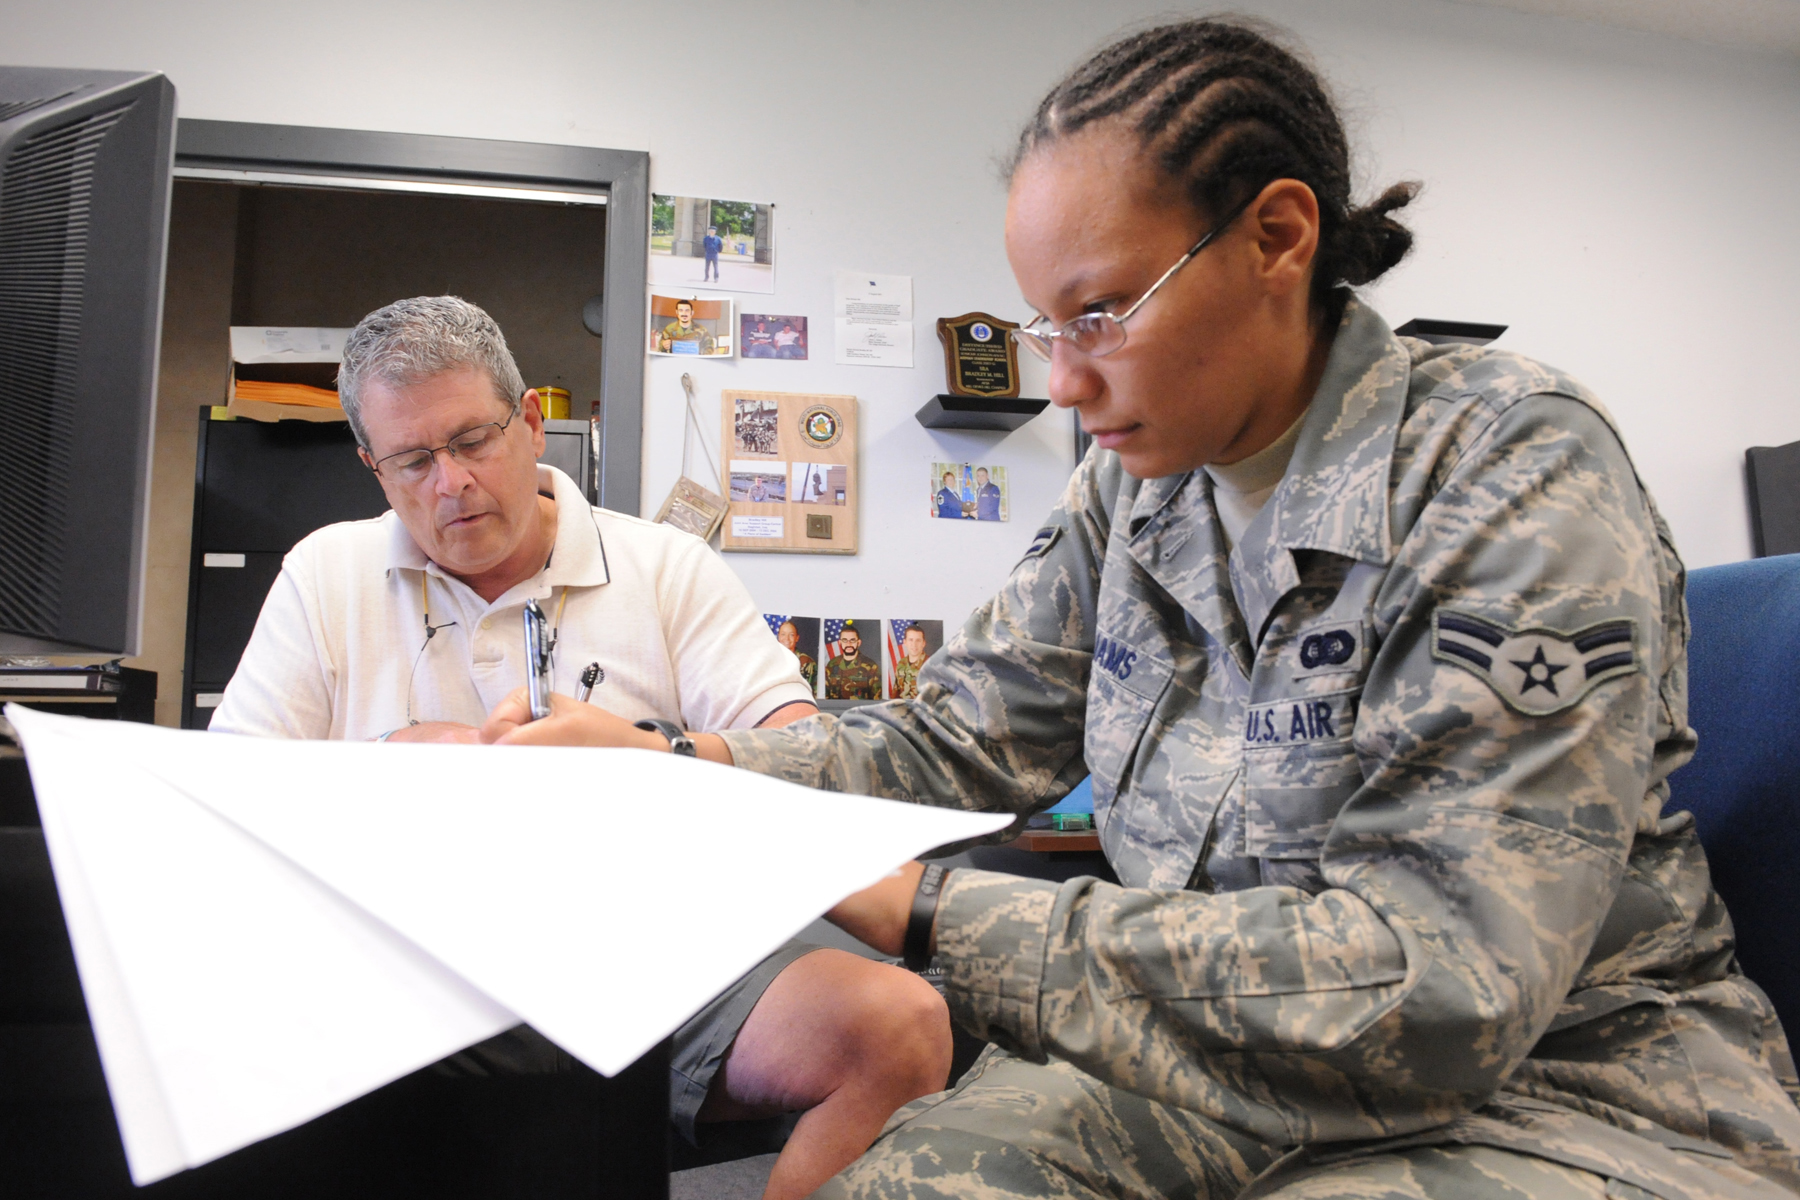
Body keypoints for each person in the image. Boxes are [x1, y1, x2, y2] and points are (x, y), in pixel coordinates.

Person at [479, 18, 1800, 1200]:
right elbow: (957, 741)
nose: (1062, 382)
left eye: (1101, 312)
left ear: (1280, 237)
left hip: (1564, 1093)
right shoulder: (1141, 491)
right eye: (1043, 326)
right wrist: (681, 770)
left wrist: (925, 908)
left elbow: (1441, 988)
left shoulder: (1507, 468)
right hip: (1225, 1065)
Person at [211, 296, 952, 1200]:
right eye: (411, 461)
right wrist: (389, 760)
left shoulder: (667, 568)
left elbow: (810, 764)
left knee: (901, 1023)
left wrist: (641, 757)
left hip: (654, 951)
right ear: (373, 467)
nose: (449, 484)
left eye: (473, 441)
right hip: (407, 962)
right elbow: (226, 798)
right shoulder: (324, 571)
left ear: (531, 425)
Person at [824, 623, 881, 701]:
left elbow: (876, 700)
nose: (848, 644)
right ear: (840, 643)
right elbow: (826, 697)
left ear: (859, 643)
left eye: (852, 640)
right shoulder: (832, 664)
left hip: (860, 712)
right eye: (845, 640)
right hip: (836, 712)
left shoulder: (871, 666)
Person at [777, 620, 818, 692]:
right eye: (783, 634)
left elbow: (812, 693)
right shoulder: (771, 660)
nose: (787, 638)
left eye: (791, 635)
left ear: (797, 638)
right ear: (778, 637)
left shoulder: (806, 662)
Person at [890, 625, 929, 700]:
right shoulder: (901, 663)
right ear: (905, 642)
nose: (914, 644)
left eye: (918, 640)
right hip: (902, 709)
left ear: (923, 643)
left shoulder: (930, 665)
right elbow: (895, 692)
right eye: (911, 640)